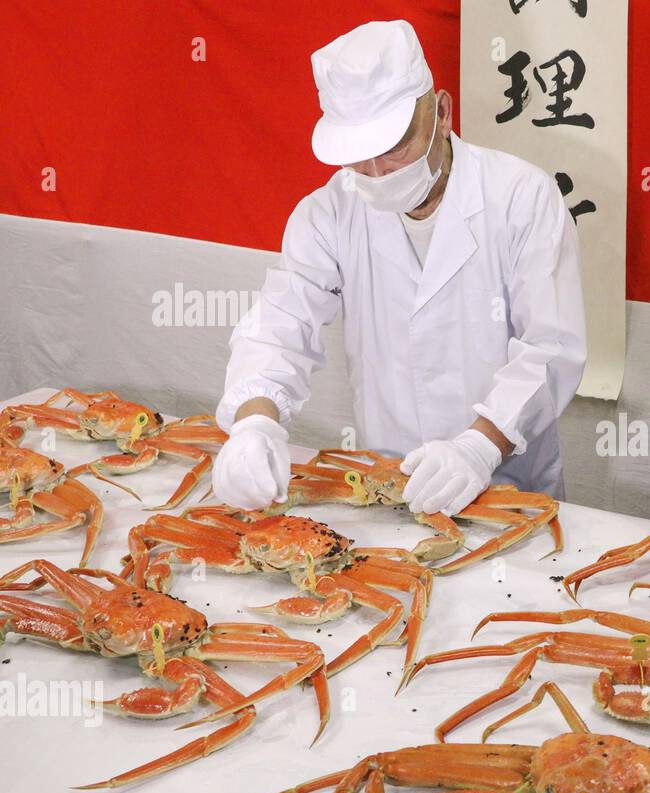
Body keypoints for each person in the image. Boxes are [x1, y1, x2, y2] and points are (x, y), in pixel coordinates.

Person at [211, 20, 586, 515]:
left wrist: (477, 447)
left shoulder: (522, 198)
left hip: (507, 483)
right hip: (386, 482)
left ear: (444, 114)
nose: (376, 175)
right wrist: (254, 422)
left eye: (394, 149)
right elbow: (279, 326)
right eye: (358, 159)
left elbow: (550, 348)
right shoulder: (329, 213)